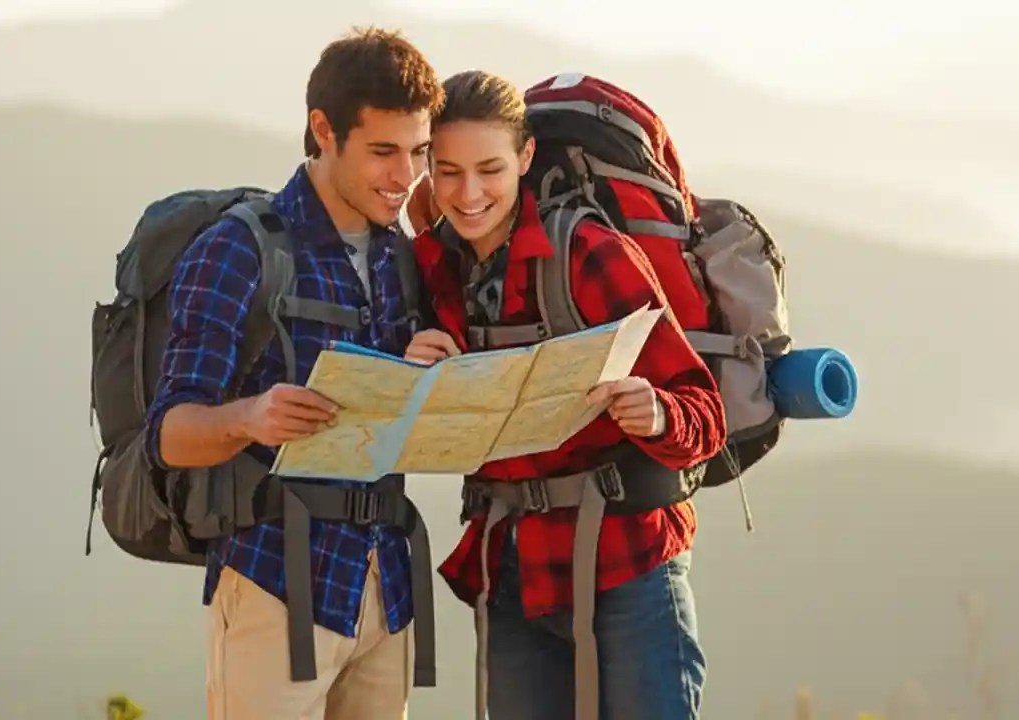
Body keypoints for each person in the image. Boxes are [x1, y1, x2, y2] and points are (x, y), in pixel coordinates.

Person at [405, 70, 727, 720]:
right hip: (512, 569)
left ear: (525, 158)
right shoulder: (433, 268)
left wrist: (657, 411)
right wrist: (411, 376)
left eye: (490, 169)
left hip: (630, 560)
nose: (469, 195)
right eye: (449, 172)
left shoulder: (588, 253)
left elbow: (705, 412)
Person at [144, 27, 445, 720]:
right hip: (276, 580)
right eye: (383, 152)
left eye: (418, 153)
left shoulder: (403, 260)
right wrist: (249, 418)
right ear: (323, 130)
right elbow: (169, 434)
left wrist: (428, 377)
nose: (406, 176)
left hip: (386, 586)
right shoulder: (238, 250)